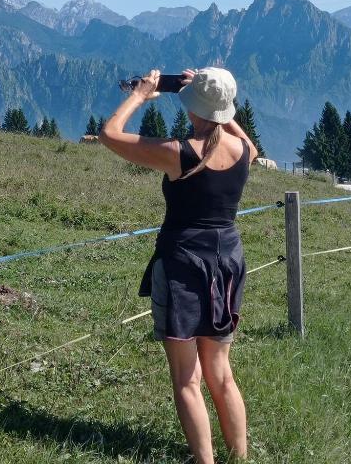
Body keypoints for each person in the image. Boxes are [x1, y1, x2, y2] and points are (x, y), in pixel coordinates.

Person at [99, 67, 258, 464]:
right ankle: (239, 457)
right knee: (221, 374)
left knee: (188, 378)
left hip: (184, 263)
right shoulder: (244, 153)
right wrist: (219, 107)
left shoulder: (180, 153)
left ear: (192, 107)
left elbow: (110, 135)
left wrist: (142, 93)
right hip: (227, 262)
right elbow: (247, 142)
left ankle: (204, 461)